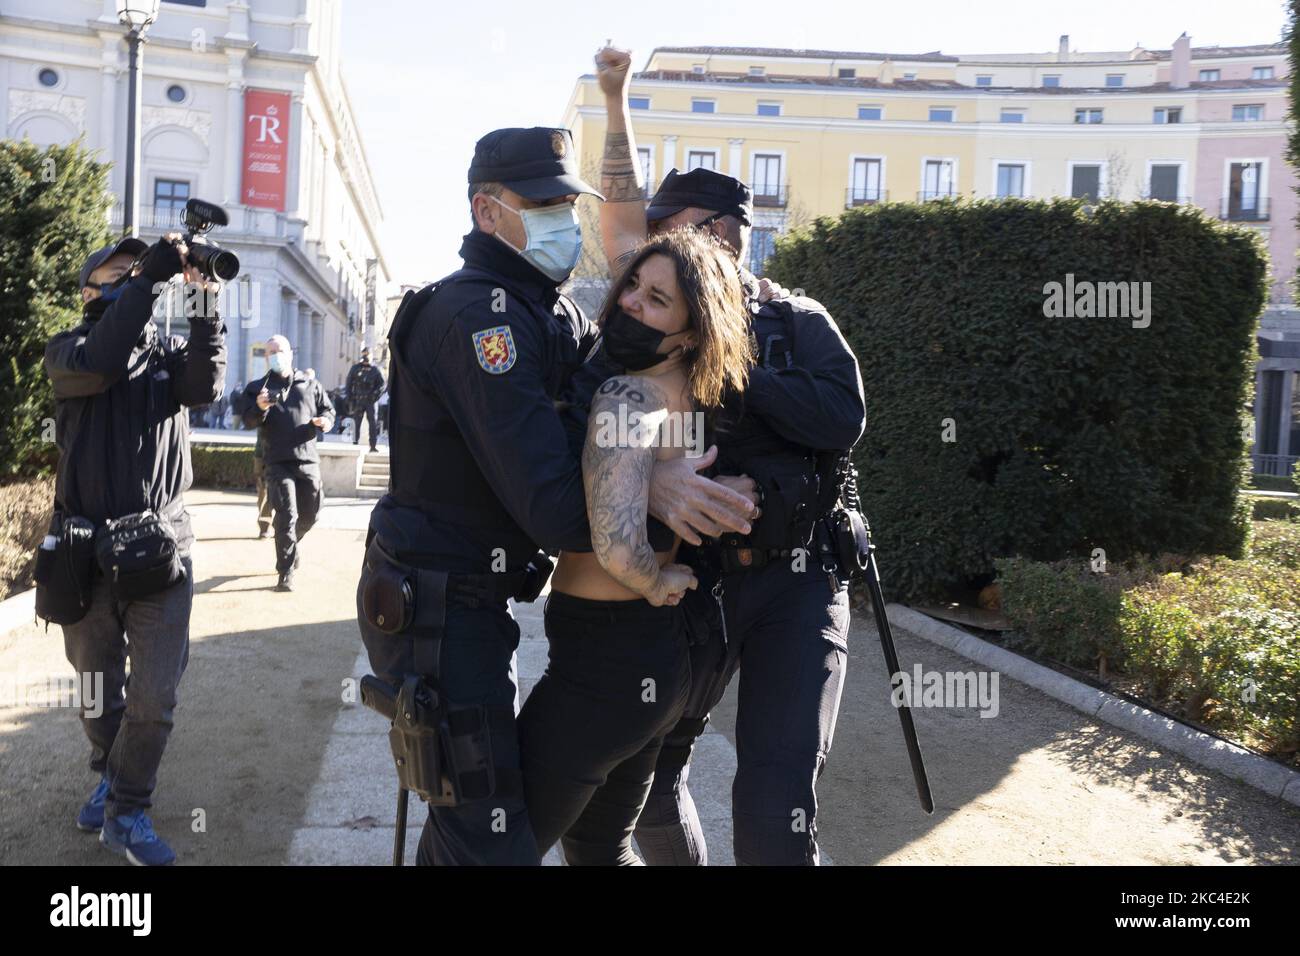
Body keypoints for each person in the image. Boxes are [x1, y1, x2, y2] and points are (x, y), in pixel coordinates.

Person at [355, 126, 758, 867]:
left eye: (567, 203)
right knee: (485, 835)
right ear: (486, 212)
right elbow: (557, 508)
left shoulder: (553, 314)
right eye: (540, 202)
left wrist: (649, 474)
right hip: (433, 597)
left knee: (507, 830)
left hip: (481, 602)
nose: (560, 220)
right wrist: (647, 487)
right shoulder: (481, 317)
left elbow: (616, 419)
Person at [591, 44, 867, 866]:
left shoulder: (801, 319)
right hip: (694, 581)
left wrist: (739, 362)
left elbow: (842, 419)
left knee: (774, 805)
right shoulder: (649, 327)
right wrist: (655, 478)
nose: (659, 260)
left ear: (720, 237)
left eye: (678, 237)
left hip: (796, 580)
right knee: (642, 780)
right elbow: (594, 421)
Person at [518, 228, 752, 864]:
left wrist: (653, 581)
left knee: (497, 842)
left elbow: (619, 543)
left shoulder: (628, 394)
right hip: (653, 667)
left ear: (690, 331)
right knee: (601, 853)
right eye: (632, 288)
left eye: (657, 300)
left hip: (603, 668)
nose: (631, 303)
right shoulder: (688, 394)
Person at [43, 233, 227, 865]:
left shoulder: (168, 357)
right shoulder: (68, 353)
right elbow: (105, 356)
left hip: (161, 548)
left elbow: (203, 385)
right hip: (85, 552)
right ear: (89, 293)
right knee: (97, 690)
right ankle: (108, 770)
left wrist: (203, 302)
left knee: (155, 694)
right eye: (118, 275)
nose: (133, 279)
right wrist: (149, 281)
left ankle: (128, 808)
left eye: (140, 271)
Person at [240, 334, 335, 591]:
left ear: (290, 353)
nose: (275, 355)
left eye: (279, 350)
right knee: (286, 516)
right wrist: (260, 407)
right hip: (277, 461)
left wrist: (325, 421)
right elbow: (248, 421)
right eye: (270, 352)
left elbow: (328, 410)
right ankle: (285, 572)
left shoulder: (310, 384)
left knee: (311, 513)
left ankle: (292, 545)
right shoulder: (257, 387)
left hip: (307, 459)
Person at [345, 347, 385, 452]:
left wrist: (375, 396)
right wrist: (349, 399)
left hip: (370, 401)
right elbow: (349, 384)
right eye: (364, 355)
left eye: (368, 355)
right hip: (358, 399)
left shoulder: (375, 370)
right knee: (356, 422)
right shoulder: (355, 368)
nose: (366, 358)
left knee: (372, 423)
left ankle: (373, 445)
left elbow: (382, 385)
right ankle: (355, 443)